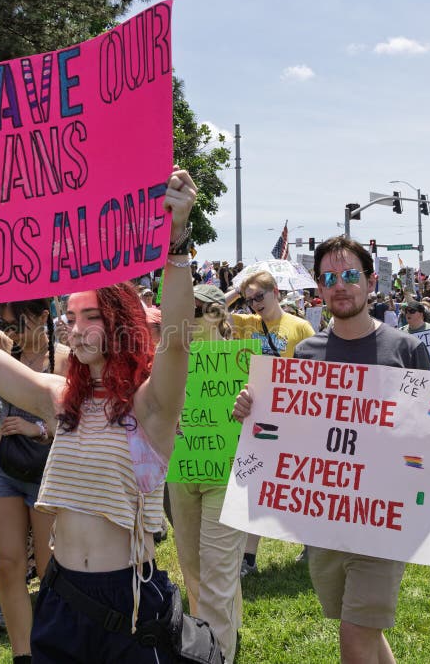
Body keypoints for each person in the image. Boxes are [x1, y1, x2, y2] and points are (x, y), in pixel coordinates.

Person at [0, 168, 196, 663]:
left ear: (120, 321)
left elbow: (178, 339)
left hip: (129, 604)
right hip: (60, 596)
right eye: (70, 319)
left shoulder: (149, 406)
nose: (75, 330)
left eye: (90, 316)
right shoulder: (58, 398)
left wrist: (177, 241)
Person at [232, 236, 430, 664]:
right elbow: (291, 428)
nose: (339, 285)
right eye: (329, 278)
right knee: (358, 625)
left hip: (386, 518)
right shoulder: (307, 352)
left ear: (368, 282)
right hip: (326, 516)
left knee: (354, 636)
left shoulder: (405, 348)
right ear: (320, 290)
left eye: (349, 275)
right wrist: (252, 411)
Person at [0, 297, 69, 662]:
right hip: (5, 471)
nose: (12, 333)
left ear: (43, 317)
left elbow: (80, 421)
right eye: (6, 326)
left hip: (47, 475)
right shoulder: (9, 353)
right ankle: (23, 653)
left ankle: (53, 646)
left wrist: (37, 427)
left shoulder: (67, 359)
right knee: (7, 566)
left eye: (18, 324)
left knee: (48, 568)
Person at [168, 283, 245, 663]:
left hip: (227, 474)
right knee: (195, 570)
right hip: (182, 471)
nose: (187, 317)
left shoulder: (242, 363)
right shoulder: (168, 359)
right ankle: (219, 633)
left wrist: (250, 406)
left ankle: (217, 656)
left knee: (216, 575)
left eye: (195, 309)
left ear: (216, 314)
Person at [224, 270, 315, 574]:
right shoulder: (246, 324)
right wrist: (237, 290)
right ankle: (249, 557)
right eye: (249, 300)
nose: (254, 304)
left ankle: (311, 542)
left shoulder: (299, 327)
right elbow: (211, 313)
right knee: (254, 483)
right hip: (254, 413)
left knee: (297, 479)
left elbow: (316, 369)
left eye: (259, 297)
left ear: (276, 291)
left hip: (291, 414)